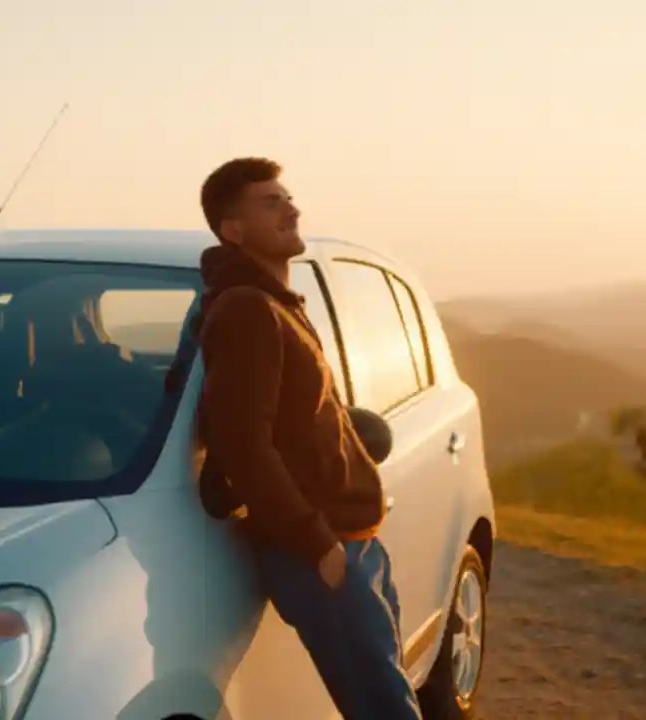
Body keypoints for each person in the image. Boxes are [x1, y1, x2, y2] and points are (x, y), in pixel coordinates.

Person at [195, 157, 423, 720]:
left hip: (352, 542)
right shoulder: (248, 309)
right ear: (233, 229)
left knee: (390, 696)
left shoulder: (274, 303)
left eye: (288, 197)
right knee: (384, 710)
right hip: (322, 551)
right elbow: (241, 442)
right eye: (270, 201)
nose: (291, 208)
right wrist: (315, 543)